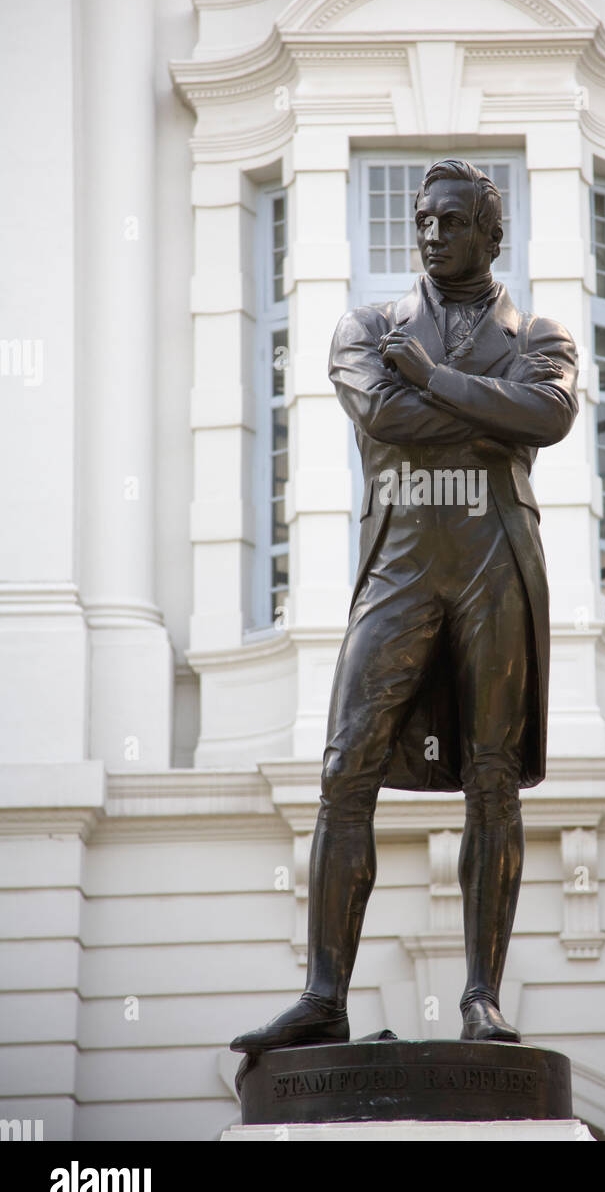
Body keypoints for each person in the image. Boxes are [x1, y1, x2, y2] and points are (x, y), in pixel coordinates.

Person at [231, 159, 579, 1053]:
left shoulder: (540, 330)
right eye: (423, 219)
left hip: (496, 559)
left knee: (492, 778)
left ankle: (481, 998)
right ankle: (323, 995)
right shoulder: (367, 324)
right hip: (402, 561)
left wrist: (433, 379)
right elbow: (381, 418)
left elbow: (547, 416)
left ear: (491, 235)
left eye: (453, 221)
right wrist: (479, 409)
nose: (431, 234)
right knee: (345, 767)